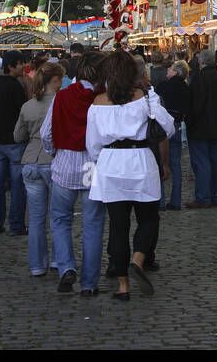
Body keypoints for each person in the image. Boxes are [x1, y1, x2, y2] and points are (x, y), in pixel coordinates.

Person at [87, 50, 174, 300]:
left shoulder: (97, 104)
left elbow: (92, 145)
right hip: (140, 160)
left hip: (111, 162)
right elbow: (167, 127)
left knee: (118, 225)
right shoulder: (146, 98)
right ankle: (137, 260)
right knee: (148, 219)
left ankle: (123, 286)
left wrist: (101, 161)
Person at [42, 50, 105, 295]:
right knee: (93, 224)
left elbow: (46, 133)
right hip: (93, 167)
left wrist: (53, 152)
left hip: (65, 165)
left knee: (60, 220)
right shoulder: (103, 98)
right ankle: (89, 283)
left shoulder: (62, 96)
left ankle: (66, 266)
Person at [17, 61, 63, 278]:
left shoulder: (28, 106)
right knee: (57, 216)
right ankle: (57, 259)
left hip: (30, 161)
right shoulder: (61, 103)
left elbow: (18, 136)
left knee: (35, 219)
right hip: (53, 161)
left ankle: (37, 265)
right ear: (55, 80)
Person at [0, 53, 28, 236]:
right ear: (11, 66)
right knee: (17, 185)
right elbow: (23, 111)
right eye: (20, 64)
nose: (23, 67)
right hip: (14, 141)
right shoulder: (16, 87)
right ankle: (16, 224)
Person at [186, 49, 217, 208]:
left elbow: (196, 104)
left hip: (200, 127)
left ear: (200, 61)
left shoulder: (200, 78)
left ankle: (203, 197)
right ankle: (215, 195)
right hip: (216, 126)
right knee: (215, 162)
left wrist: (190, 122)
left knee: (202, 163)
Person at [155, 59, 190, 211]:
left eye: (170, 68)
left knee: (161, 162)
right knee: (175, 164)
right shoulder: (185, 87)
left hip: (163, 126)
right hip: (178, 125)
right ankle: (176, 200)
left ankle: (160, 201)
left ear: (175, 72)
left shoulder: (164, 86)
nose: (168, 70)